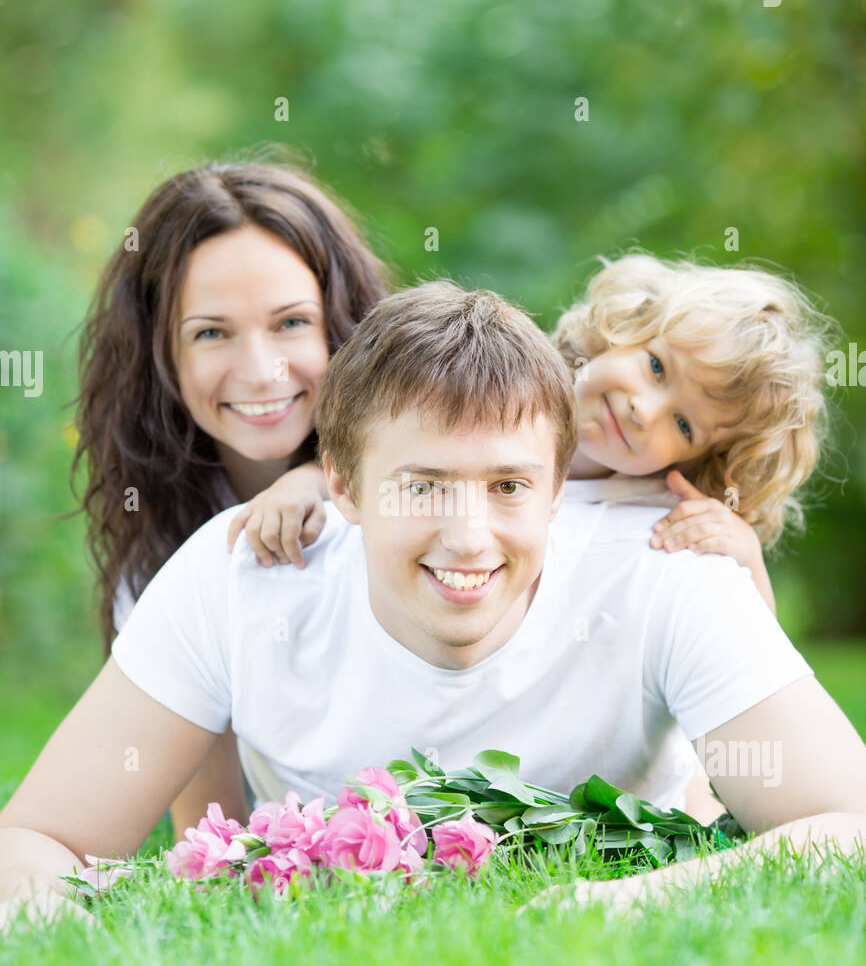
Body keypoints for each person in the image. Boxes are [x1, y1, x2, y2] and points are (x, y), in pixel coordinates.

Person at [2, 280, 864, 929]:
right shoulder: (239, 572)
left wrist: (611, 902)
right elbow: (32, 842)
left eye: (509, 485)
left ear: (559, 486)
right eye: (421, 486)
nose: (468, 537)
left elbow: (851, 825)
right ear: (341, 482)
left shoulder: (673, 568)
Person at [225, 252, 837, 822]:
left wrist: (747, 561)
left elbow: (746, 657)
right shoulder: (506, 389)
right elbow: (385, 450)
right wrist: (305, 482)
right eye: (655, 366)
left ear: (703, 456)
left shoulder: (655, 519)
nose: (642, 409)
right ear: (620, 327)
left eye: (683, 422)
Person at [71, 155, 390, 838]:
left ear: (342, 325)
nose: (261, 371)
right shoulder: (167, 550)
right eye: (212, 332)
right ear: (162, 356)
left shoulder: (420, 485)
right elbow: (213, 836)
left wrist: (323, 480)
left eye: (292, 323)